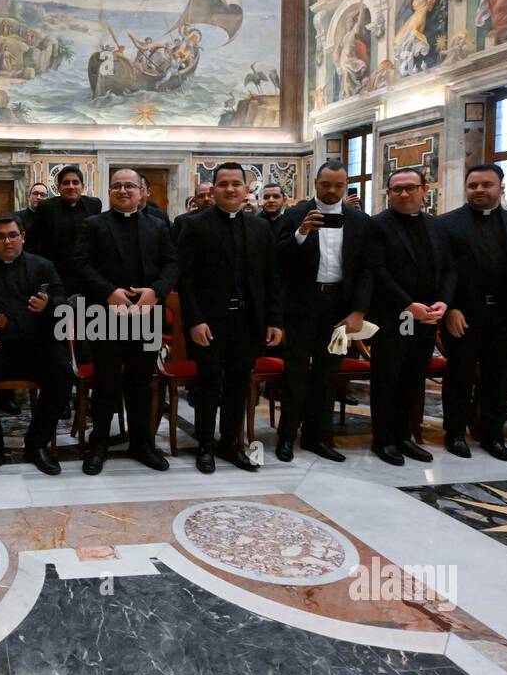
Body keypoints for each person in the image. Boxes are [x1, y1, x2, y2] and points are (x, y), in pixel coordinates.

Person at [437, 163, 507, 460]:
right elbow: (441, 270)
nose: (479, 190)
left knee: (498, 378)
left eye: (487, 185)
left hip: (506, 314)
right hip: (464, 315)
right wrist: (451, 307)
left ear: (501, 187)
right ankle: (456, 433)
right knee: (459, 376)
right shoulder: (447, 223)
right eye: (473, 185)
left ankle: (492, 435)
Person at [178, 162, 284, 473]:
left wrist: (274, 320)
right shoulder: (194, 226)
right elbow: (185, 279)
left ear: (246, 188)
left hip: (249, 320)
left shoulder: (260, 227)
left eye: (236, 183)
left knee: (240, 383)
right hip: (209, 322)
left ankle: (230, 442)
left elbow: (271, 278)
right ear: (212, 189)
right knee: (208, 383)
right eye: (223, 183)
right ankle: (205, 446)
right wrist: (195, 320)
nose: (230, 189)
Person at [72, 168, 177, 473]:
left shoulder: (158, 226)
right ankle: (99, 444)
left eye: (129, 186)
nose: (122, 190)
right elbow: (80, 263)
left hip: (146, 314)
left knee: (141, 383)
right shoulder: (93, 225)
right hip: (105, 314)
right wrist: (108, 292)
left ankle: (142, 443)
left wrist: (155, 292)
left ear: (143, 191)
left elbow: (172, 265)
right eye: (116, 186)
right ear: (109, 192)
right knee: (105, 382)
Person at [0, 215, 73, 479]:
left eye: (12, 235)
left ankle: (37, 444)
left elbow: (63, 303)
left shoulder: (43, 266)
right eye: (0, 236)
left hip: (37, 347)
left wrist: (49, 307)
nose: (7, 241)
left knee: (63, 371)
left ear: (23, 237)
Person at [274, 161, 372, 463]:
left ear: (345, 186)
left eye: (338, 186)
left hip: (338, 310)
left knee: (328, 374)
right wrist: (301, 233)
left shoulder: (359, 220)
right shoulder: (293, 215)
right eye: (325, 185)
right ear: (315, 183)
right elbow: (278, 261)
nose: (331, 191)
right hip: (301, 307)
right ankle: (287, 437)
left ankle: (318, 437)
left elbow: (368, 270)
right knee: (295, 373)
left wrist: (358, 311)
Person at [367, 168, 454, 467]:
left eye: (410, 188)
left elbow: (449, 268)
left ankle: (404, 436)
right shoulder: (377, 225)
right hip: (393, 316)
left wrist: (444, 300)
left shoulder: (436, 225)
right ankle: (384, 440)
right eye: (397, 189)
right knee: (387, 378)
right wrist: (407, 304)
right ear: (388, 193)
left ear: (424, 190)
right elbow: (377, 270)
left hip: (428, 316)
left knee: (414, 378)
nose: (404, 194)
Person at [27, 165, 102, 298]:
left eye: (75, 182)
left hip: (85, 273)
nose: (71, 186)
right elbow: (32, 240)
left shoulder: (94, 205)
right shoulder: (46, 207)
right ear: (59, 187)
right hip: (55, 273)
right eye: (66, 183)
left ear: (82, 186)